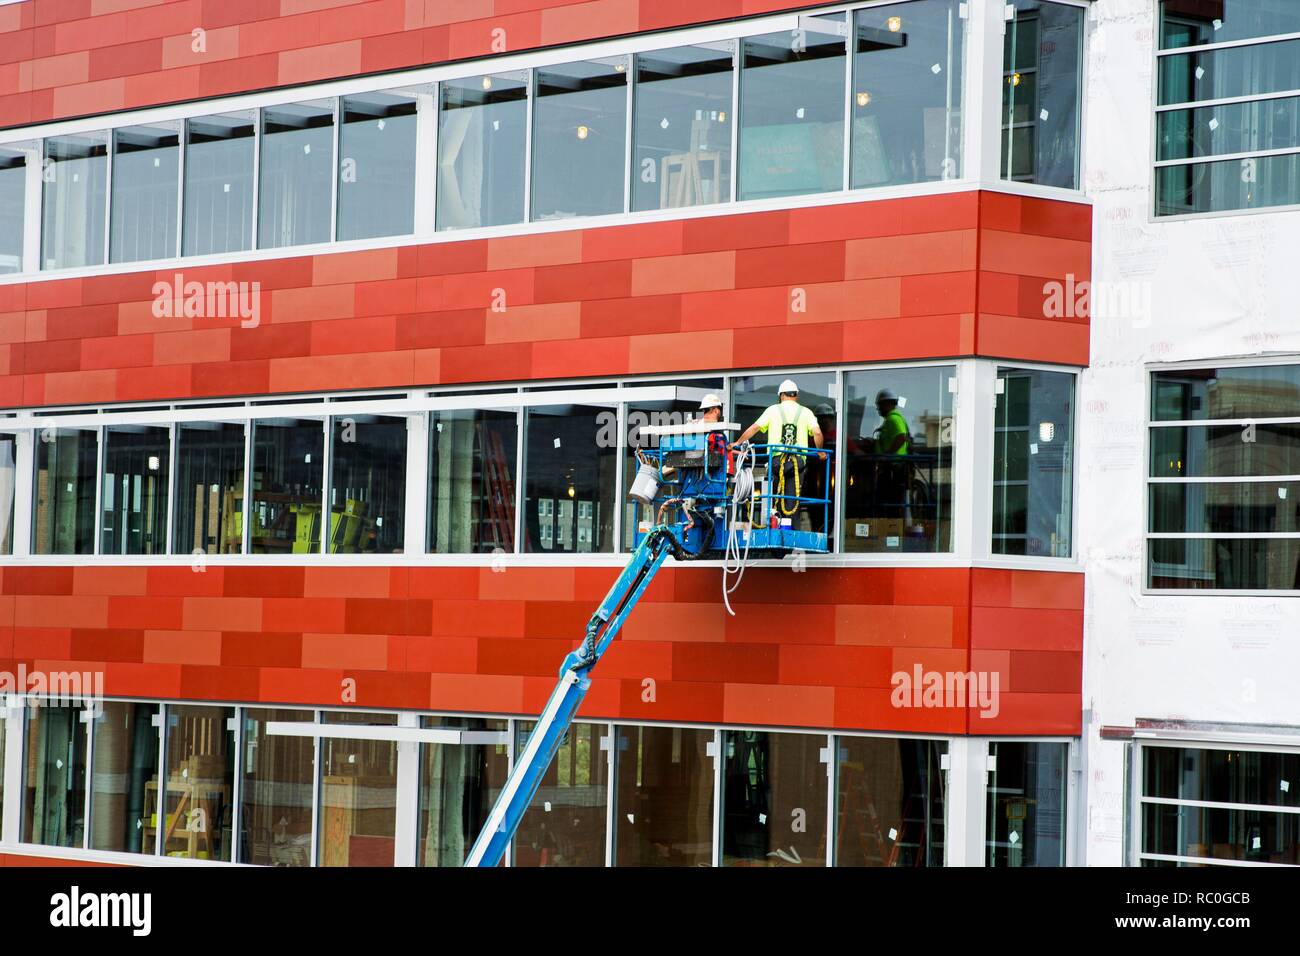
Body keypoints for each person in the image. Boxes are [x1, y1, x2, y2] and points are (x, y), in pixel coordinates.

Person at [738, 379, 825, 525]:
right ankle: (790, 527)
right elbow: (817, 432)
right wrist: (820, 451)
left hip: (777, 461)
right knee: (792, 499)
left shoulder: (773, 410)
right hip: (798, 462)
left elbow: (754, 428)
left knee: (774, 497)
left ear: (781, 396)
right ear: (795, 395)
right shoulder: (806, 412)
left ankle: (774, 523)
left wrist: (737, 443)